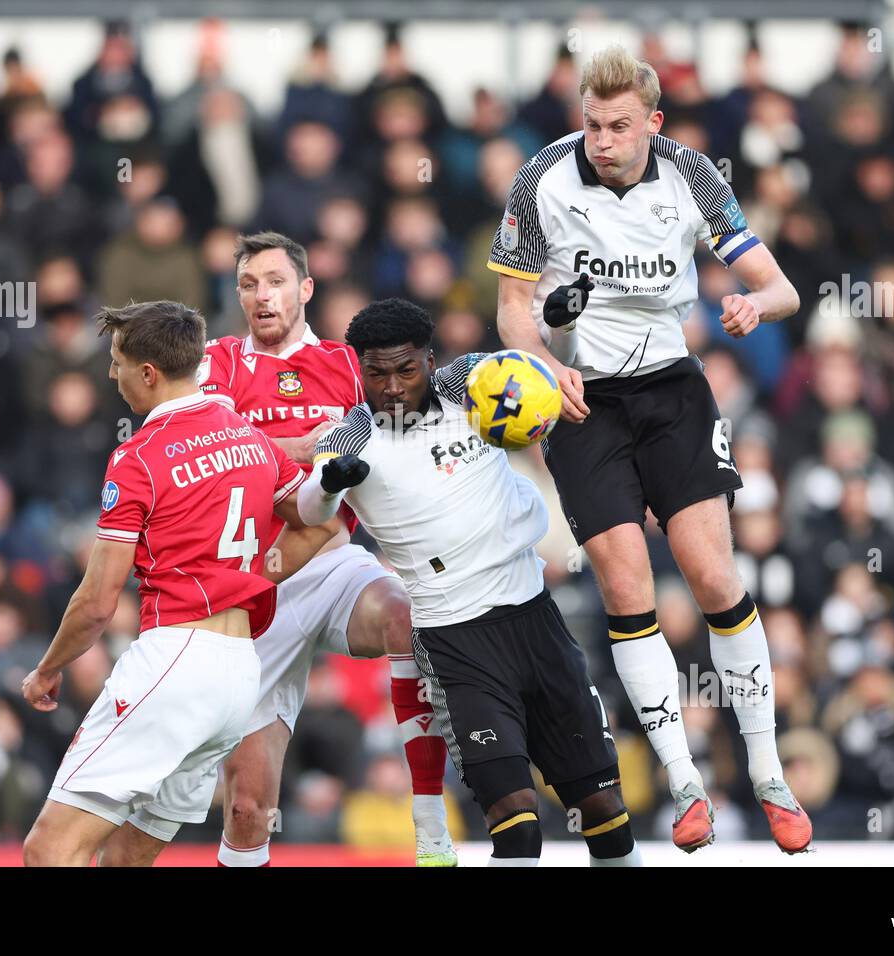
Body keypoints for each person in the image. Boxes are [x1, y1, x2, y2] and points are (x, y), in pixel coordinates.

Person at [488, 45, 811, 853]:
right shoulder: (542, 178)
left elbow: (782, 287)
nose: (601, 139)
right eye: (592, 123)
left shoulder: (692, 174)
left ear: (652, 124)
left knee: (711, 575)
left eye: (619, 125)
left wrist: (752, 307)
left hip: (672, 391)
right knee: (626, 588)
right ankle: (684, 783)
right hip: (582, 402)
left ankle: (769, 774)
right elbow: (511, 307)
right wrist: (542, 363)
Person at [298, 299, 640, 868]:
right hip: (455, 641)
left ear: (430, 361)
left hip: (534, 616)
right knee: (515, 818)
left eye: (406, 371)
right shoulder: (349, 437)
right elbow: (311, 510)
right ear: (359, 370)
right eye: (376, 373)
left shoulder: (472, 385)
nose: (391, 388)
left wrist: (563, 329)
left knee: (602, 809)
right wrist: (331, 485)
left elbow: (553, 383)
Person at [20, 300, 331, 866]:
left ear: (148, 373)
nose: (110, 375)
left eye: (116, 363)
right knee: (124, 860)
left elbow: (96, 603)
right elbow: (318, 521)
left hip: (175, 661)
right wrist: (251, 577)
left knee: (49, 851)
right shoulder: (249, 437)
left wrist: (48, 668)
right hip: (239, 677)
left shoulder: (138, 457)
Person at [205, 232, 454, 866]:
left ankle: (430, 817)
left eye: (276, 281)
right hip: (250, 595)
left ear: (305, 289)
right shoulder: (219, 363)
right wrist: (314, 445)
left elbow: (405, 438)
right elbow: (212, 457)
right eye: (249, 284)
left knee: (407, 617)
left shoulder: (350, 365)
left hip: (333, 565)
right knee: (248, 808)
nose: (263, 296)